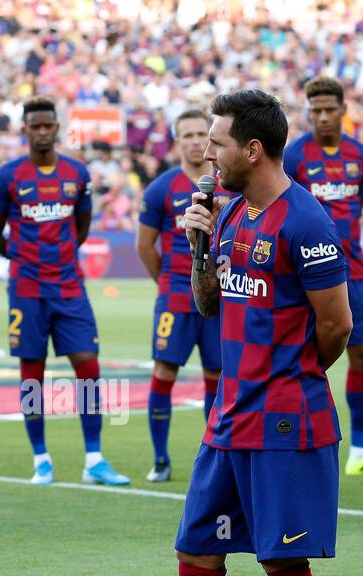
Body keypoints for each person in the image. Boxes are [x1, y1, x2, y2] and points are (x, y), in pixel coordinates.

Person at [93, 90, 353, 576]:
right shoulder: (230, 213)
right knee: (199, 548)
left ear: (252, 149)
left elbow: (337, 325)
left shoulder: (307, 222)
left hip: (285, 420)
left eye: (216, 143)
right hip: (229, 412)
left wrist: (290, 376)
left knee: (281, 557)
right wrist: (199, 249)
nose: (206, 152)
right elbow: (210, 305)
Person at [0, 97, 129, 486]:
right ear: (26, 130)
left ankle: (94, 457)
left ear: (57, 127)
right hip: (27, 287)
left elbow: (81, 227)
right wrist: (22, 257)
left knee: (88, 363)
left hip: (68, 285)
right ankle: (40, 458)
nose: (43, 131)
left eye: (49, 125)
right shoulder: (6, 177)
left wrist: (59, 257)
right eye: (36, 126)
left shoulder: (77, 174)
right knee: (32, 372)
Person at [285, 76, 363, 477]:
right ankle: (296, 441)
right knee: (301, 356)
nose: (322, 117)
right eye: (314, 110)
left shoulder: (362, 156)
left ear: (342, 110)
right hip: (304, 273)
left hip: (352, 268)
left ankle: (361, 452)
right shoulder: (294, 156)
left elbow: (359, 204)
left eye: (329, 109)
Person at [136, 109, 229, 482]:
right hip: (174, 298)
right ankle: (160, 458)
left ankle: (212, 458)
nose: (194, 141)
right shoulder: (161, 188)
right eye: (186, 134)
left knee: (217, 375)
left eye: (200, 134)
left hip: (218, 297)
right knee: (164, 371)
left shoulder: (229, 185)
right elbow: (144, 246)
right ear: (177, 141)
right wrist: (170, 282)